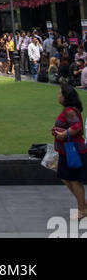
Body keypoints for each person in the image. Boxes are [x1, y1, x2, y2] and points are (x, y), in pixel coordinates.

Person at [52, 83, 87, 221]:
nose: (58, 96)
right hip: (68, 150)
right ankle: (83, 204)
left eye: (60, 93)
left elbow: (77, 127)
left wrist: (64, 134)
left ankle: (82, 210)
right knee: (66, 177)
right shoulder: (69, 110)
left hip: (72, 150)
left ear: (66, 97)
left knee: (74, 180)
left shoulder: (69, 111)